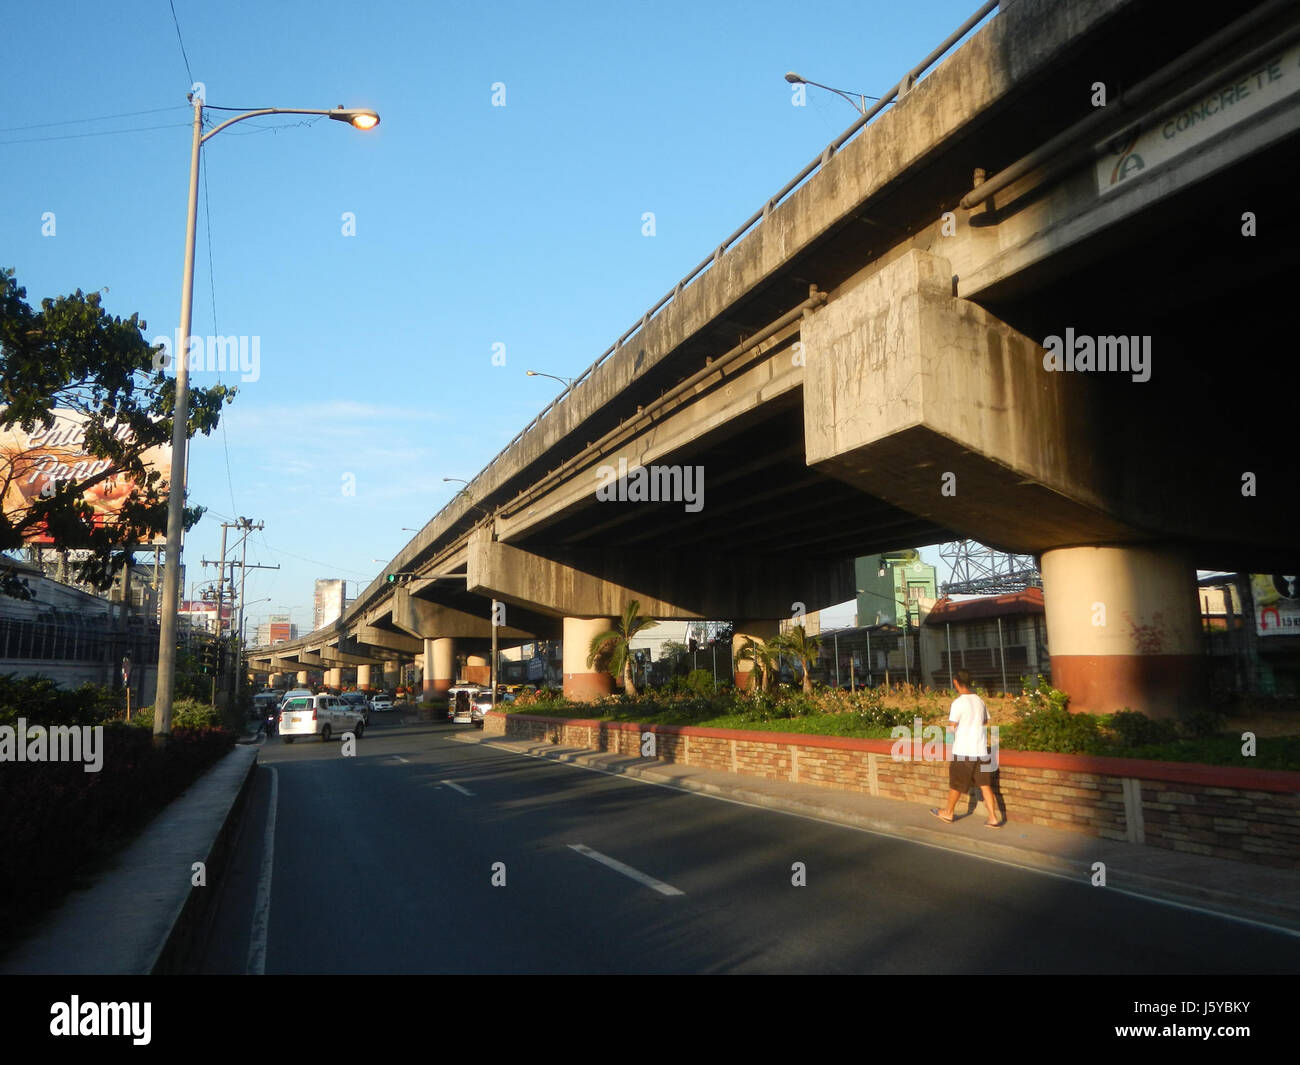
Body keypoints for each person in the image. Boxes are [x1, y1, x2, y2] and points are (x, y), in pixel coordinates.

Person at [931, 670, 1003, 827]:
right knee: (985, 785)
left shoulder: (958, 703)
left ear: (956, 682)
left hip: (963, 750)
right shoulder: (979, 701)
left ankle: (948, 812)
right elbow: (984, 722)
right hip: (981, 750)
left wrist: (949, 746)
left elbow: (951, 727)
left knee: (956, 784)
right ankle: (992, 817)